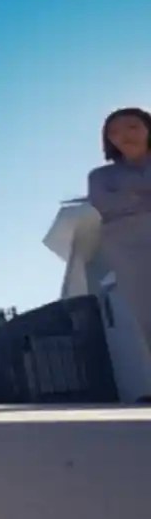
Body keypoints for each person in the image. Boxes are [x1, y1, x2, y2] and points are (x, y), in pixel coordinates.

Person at [88, 107, 151, 353]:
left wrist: (131, 195)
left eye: (133, 127)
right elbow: (106, 204)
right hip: (129, 250)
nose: (125, 135)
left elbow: (123, 203)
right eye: (115, 131)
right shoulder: (100, 176)